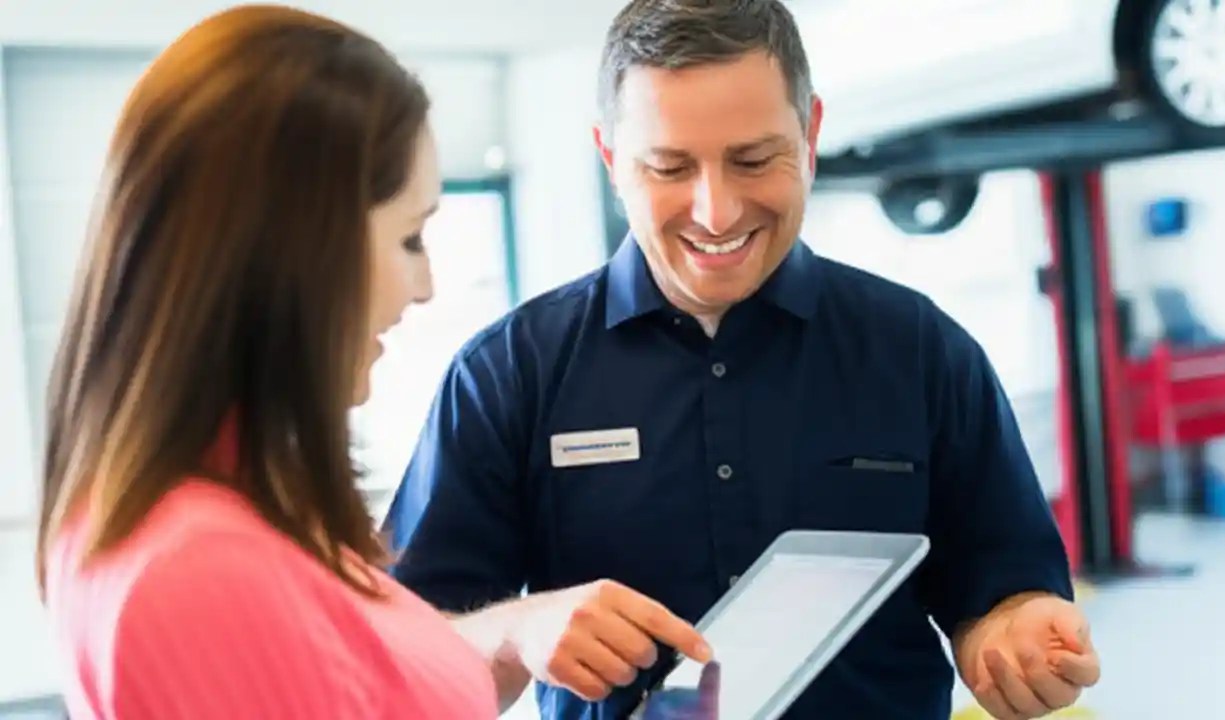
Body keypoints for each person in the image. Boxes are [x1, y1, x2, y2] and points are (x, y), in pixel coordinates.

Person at [386, 0, 1102, 718]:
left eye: (754, 160)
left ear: (810, 134)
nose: (716, 212)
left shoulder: (922, 352)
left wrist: (1016, 638)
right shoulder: (508, 374)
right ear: (610, 158)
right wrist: (516, 631)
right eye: (669, 167)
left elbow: (1004, 593)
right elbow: (404, 663)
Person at [34, 6, 713, 719]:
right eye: (409, 239)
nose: (425, 286)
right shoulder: (200, 572)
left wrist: (517, 635)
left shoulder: (218, 521)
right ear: (297, 249)